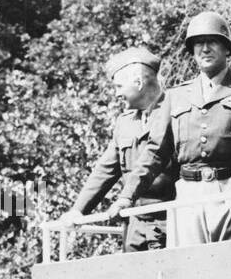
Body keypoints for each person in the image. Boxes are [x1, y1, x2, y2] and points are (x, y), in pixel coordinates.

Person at [112, 12, 231, 246]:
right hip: (188, 195)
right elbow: (156, 152)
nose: (205, 49)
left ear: (227, 49)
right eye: (198, 43)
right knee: (191, 269)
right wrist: (127, 196)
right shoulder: (175, 96)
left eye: (212, 41)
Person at [58, 46, 173, 252]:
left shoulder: (175, 111)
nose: (117, 93)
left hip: (170, 219)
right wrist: (78, 210)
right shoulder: (124, 123)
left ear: (138, 83)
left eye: (119, 86)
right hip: (135, 224)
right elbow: (106, 169)